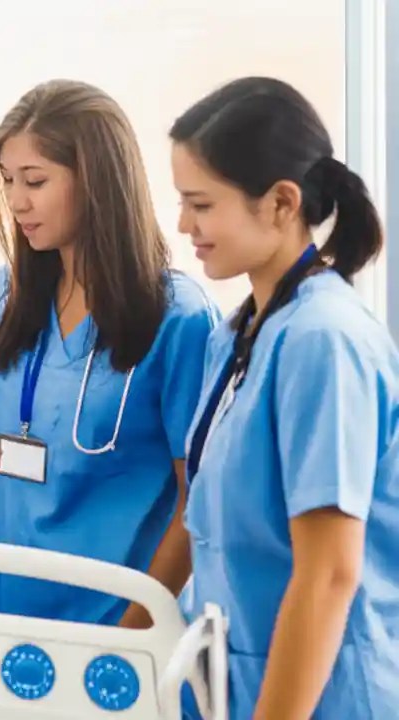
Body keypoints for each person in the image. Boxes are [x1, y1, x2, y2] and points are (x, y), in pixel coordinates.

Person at [171, 77, 399, 718]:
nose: (184, 224)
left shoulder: (325, 342)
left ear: (281, 202)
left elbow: (329, 574)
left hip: (327, 698)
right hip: (236, 684)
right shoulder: (239, 334)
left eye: (201, 204)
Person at [0, 79, 219, 628]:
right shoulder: (5, 296)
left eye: (35, 181)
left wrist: (137, 627)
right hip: (8, 620)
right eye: (8, 181)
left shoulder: (179, 318)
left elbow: (198, 502)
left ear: (97, 181)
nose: (17, 201)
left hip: (120, 630)